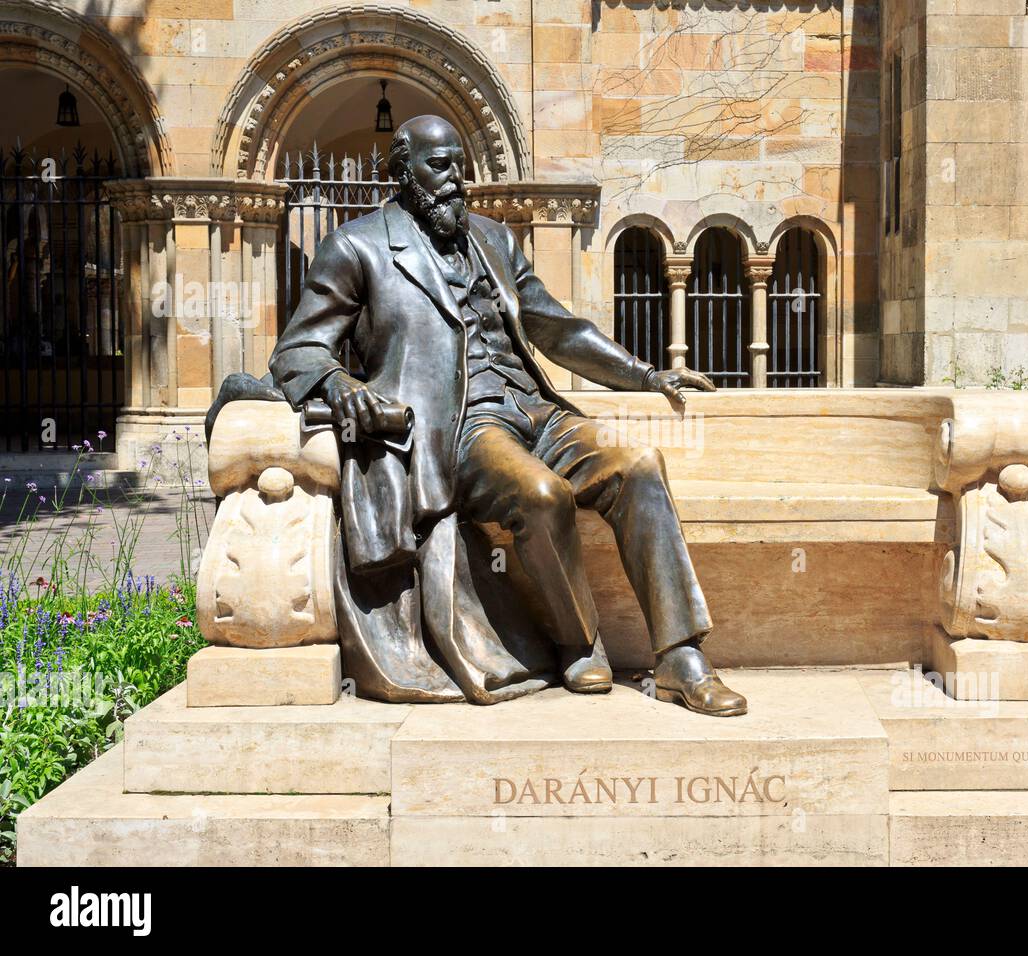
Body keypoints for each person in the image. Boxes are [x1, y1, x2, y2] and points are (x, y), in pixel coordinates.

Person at [268, 115, 747, 717]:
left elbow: (558, 327)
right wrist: (340, 385)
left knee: (640, 463)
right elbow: (299, 350)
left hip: (536, 409)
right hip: (460, 428)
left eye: (460, 169)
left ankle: (681, 659)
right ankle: (579, 641)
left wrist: (647, 375)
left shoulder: (492, 240)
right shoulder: (357, 246)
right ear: (402, 172)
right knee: (542, 493)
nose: (454, 183)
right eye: (439, 167)